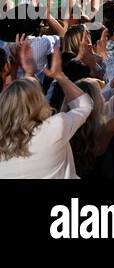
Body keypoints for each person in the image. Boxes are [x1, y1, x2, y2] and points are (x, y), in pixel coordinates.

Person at [0, 43, 94, 179]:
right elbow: (85, 106)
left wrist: (28, 73)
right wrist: (60, 76)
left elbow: (20, 99)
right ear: (40, 102)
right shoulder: (55, 127)